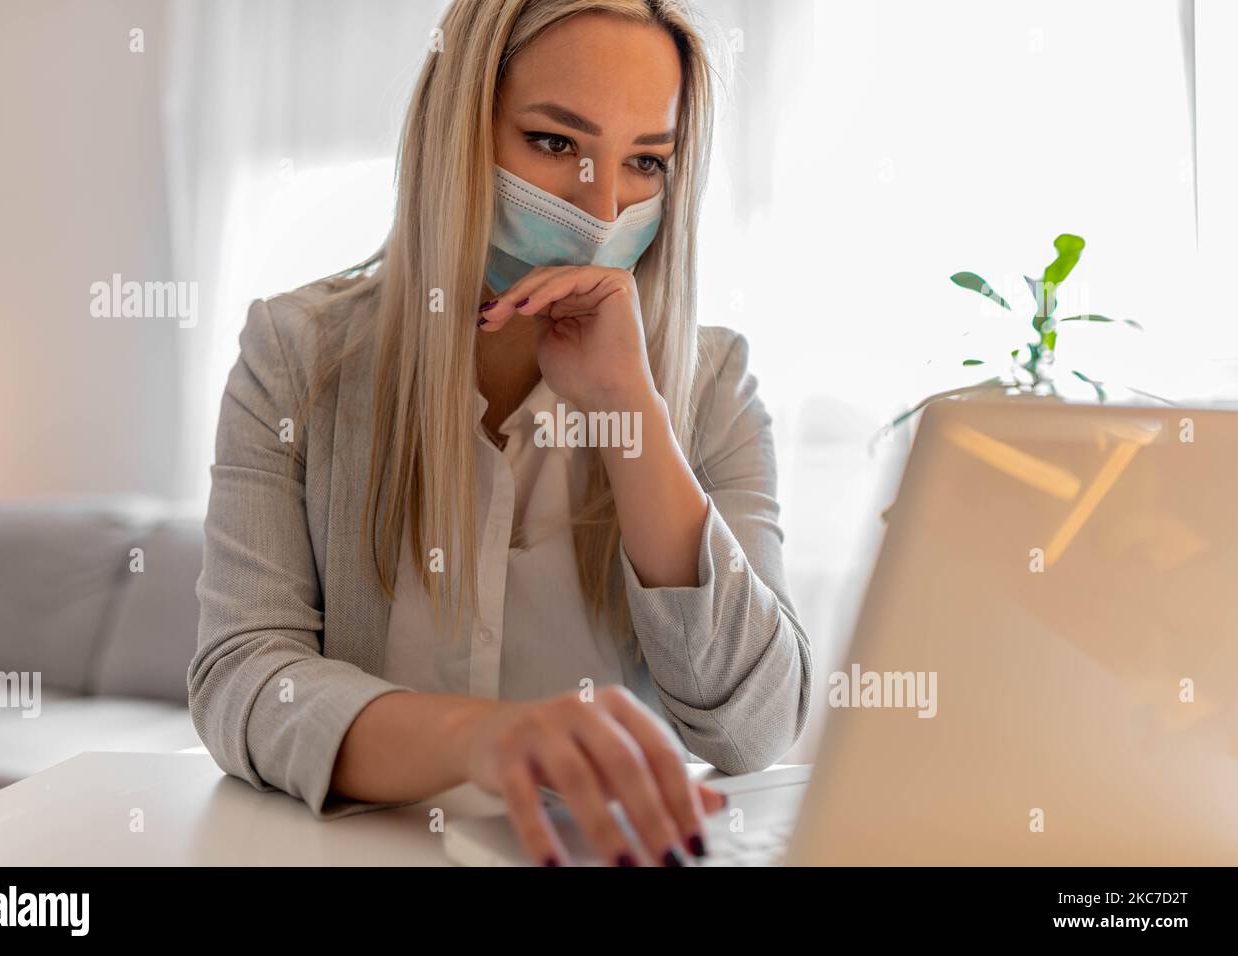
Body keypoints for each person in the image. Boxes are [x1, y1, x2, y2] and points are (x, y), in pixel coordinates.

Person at [189, 0, 811, 868]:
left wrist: (630, 411)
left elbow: (758, 728)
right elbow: (242, 677)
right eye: (556, 143)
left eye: (644, 162)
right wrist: (484, 740)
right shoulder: (296, 357)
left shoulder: (712, 385)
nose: (601, 210)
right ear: (461, 132)